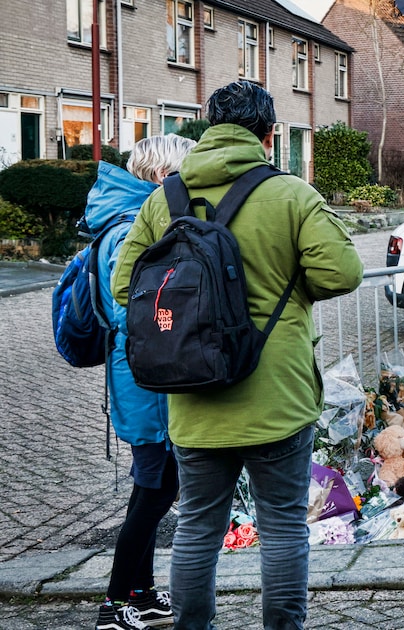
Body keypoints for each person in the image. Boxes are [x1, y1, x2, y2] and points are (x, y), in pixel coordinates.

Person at [111, 80, 363, 630]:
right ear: (268, 135)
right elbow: (342, 272)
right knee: (282, 527)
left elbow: (124, 285)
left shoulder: (163, 200)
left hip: (194, 395)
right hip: (277, 396)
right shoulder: (291, 195)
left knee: (199, 526)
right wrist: (286, 286)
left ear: (207, 128)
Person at [91, 135, 196, 630]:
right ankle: (114, 605)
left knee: (152, 489)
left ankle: (143, 592)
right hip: (146, 381)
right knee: (155, 490)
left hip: (148, 376)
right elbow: (126, 310)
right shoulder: (131, 227)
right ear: (162, 177)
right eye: (184, 174)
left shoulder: (138, 220)